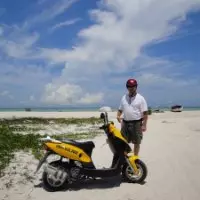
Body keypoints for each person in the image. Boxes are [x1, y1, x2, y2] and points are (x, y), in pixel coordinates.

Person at [117, 78, 148, 156]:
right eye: (129, 86)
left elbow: (145, 113)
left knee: (136, 142)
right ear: (127, 87)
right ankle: (125, 159)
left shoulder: (141, 98)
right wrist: (118, 115)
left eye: (133, 86)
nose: (131, 88)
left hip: (136, 123)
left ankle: (135, 159)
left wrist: (144, 125)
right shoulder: (124, 97)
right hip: (125, 123)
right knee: (123, 142)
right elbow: (120, 109)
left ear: (136, 87)